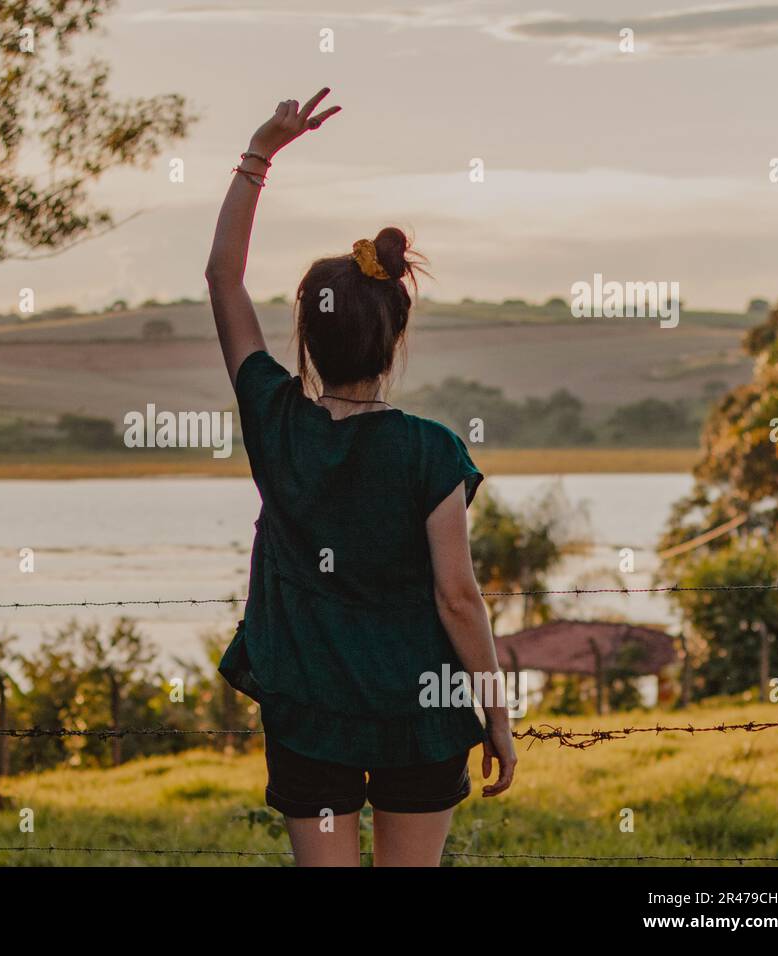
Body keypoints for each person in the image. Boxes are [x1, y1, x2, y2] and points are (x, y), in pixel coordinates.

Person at [205, 88, 517, 867]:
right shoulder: (433, 451)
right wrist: (496, 713)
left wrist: (259, 155)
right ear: (395, 335)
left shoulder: (276, 422)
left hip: (310, 715)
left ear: (305, 334)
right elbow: (457, 597)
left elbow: (222, 279)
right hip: (420, 717)